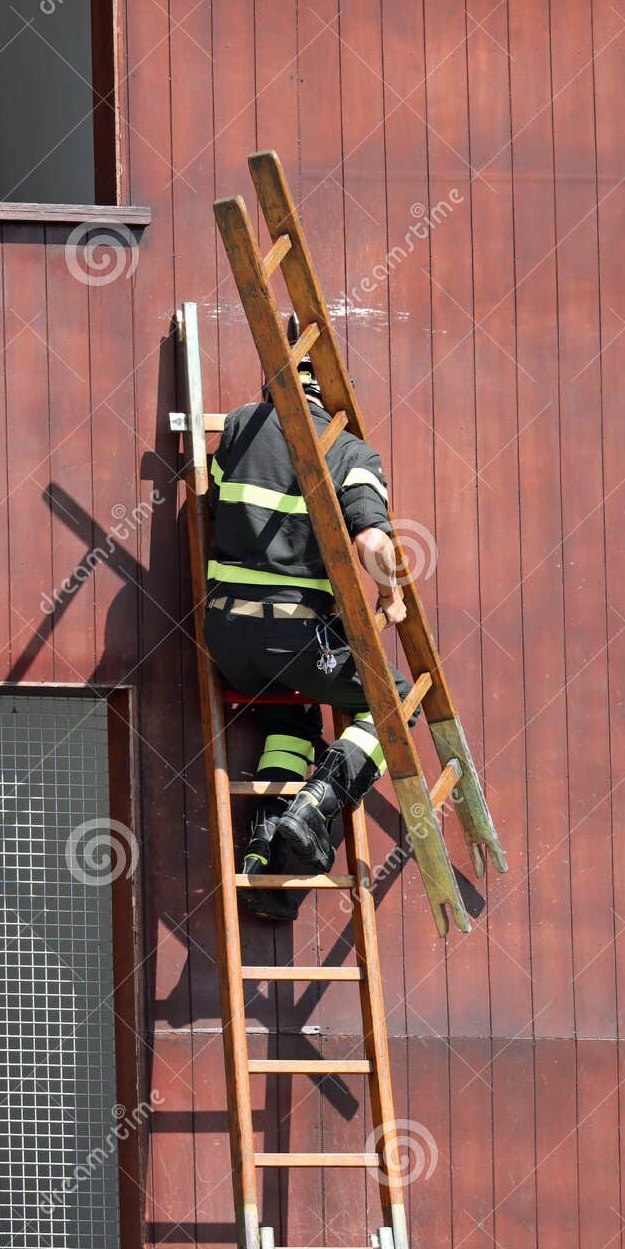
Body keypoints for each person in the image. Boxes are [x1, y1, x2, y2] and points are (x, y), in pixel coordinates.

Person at [203, 336, 415, 921]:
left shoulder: (240, 425)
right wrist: (391, 596)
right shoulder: (351, 453)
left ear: (273, 381)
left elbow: (216, 506)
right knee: (395, 702)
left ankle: (264, 866)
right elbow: (373, 541)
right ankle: (317, 806)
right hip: (292, 637)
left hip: (223, 636)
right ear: (334, 396)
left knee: (289, 717)